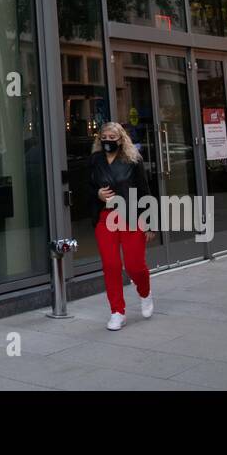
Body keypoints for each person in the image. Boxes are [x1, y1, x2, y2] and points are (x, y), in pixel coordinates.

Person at [84, 122, 155, 331]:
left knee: (135, 265)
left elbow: (144, 190)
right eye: (104, 136)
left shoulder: (133, 160)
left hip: (131, 217)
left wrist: (149, 223)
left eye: (112, 136)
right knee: (111, 265)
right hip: (105, 218)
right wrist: (97, 195)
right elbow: (86, 188)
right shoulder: (94, 160)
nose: (108, 140)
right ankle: (117, 311)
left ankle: (145, 292)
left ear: (121, 139)